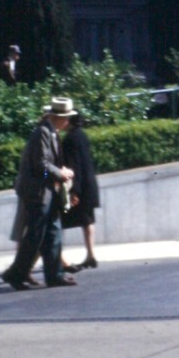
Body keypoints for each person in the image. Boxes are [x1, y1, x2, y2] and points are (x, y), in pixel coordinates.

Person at [2, 95, 78, 290]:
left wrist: (58, 175)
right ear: (56, 117)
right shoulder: (42, 133)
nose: (68, 121)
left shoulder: (51, 132)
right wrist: (60, 173)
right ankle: (15, 274)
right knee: (35, 235)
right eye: (66, 117)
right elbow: (41, 166)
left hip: (47, 191)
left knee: (53, 233)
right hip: (37, 193)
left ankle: (54, 275)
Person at [62, 111, 101, 270]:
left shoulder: (69, 139)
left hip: (79, 185)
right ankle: (91, 254)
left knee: (58, 223)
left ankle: (60, 259)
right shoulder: (82, 135)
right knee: (87, 220)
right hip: (89, 183)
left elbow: (73, 165)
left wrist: (73, 191)